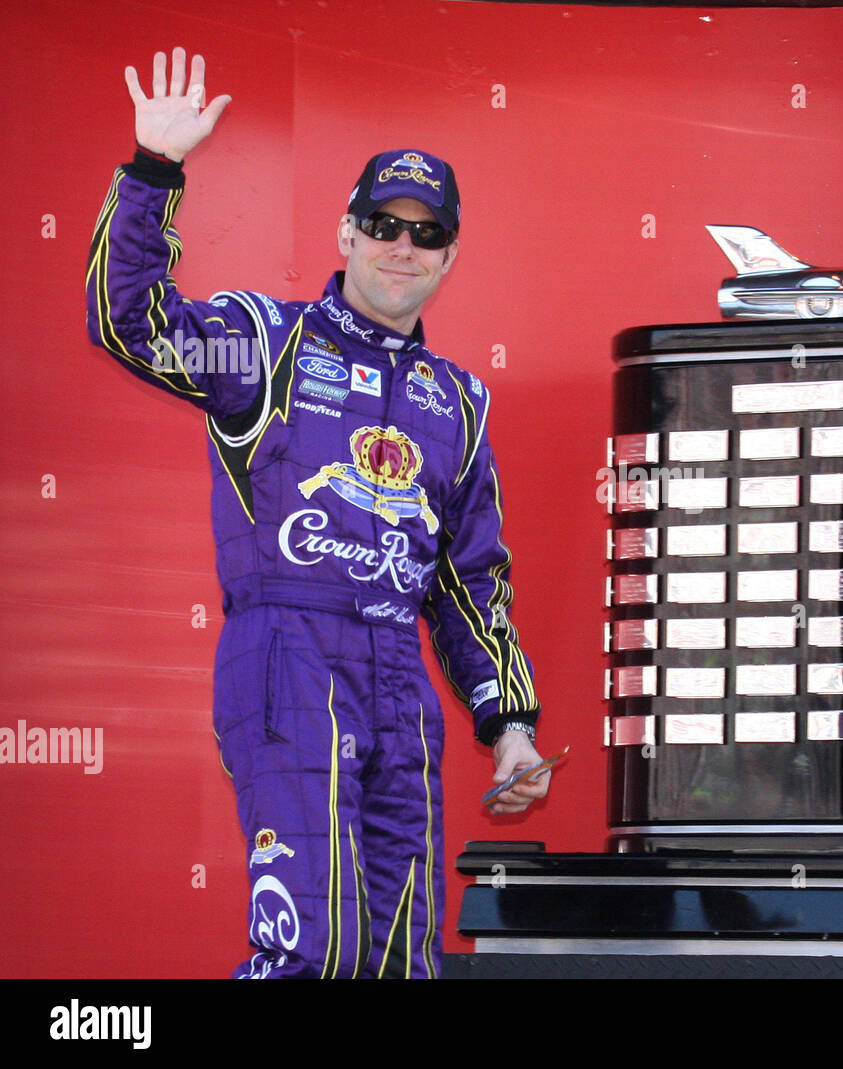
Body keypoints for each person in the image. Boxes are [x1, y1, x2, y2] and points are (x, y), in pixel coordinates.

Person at [86, 47, 549, 978]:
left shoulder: (457, 402)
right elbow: (128, 321)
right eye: (382, 223)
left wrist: (510, 724)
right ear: (346, 232)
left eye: (425, 234)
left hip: (399, 683)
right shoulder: (268, 346)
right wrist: (152, 171)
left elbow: (465, 586)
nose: (401, 247)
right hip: (287, 656)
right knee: (313, 948)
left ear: (450, 254)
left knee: (400, 958)